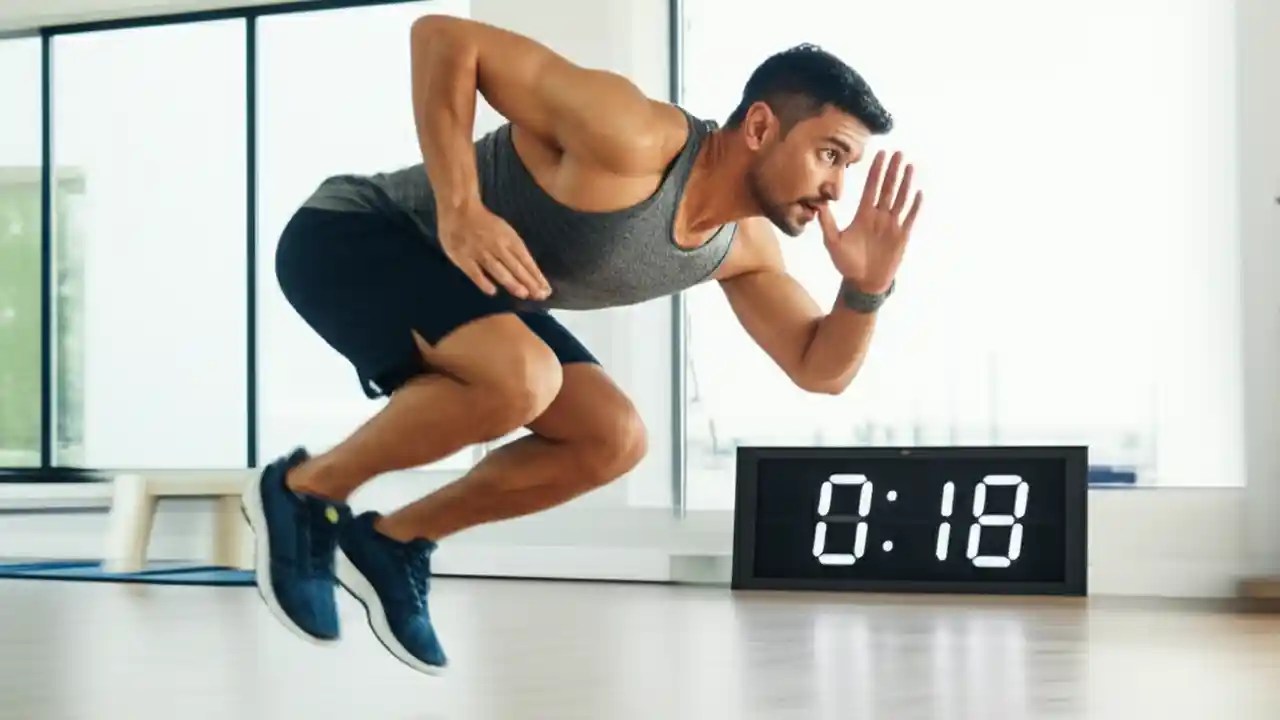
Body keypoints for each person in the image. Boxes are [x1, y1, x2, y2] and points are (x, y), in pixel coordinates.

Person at [241, 14, 922, 676]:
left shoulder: (741, 248)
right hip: (350, 235)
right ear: (762, 126)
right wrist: (461, 209)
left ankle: (393, 542)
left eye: (848, 166)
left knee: (614, 437)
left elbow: (818, 368)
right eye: (829, 154)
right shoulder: (633, 134)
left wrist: (867, 288)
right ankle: (302, 491)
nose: (836, 187)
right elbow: (445, 38)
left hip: (471, 294)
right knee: (523, 379)